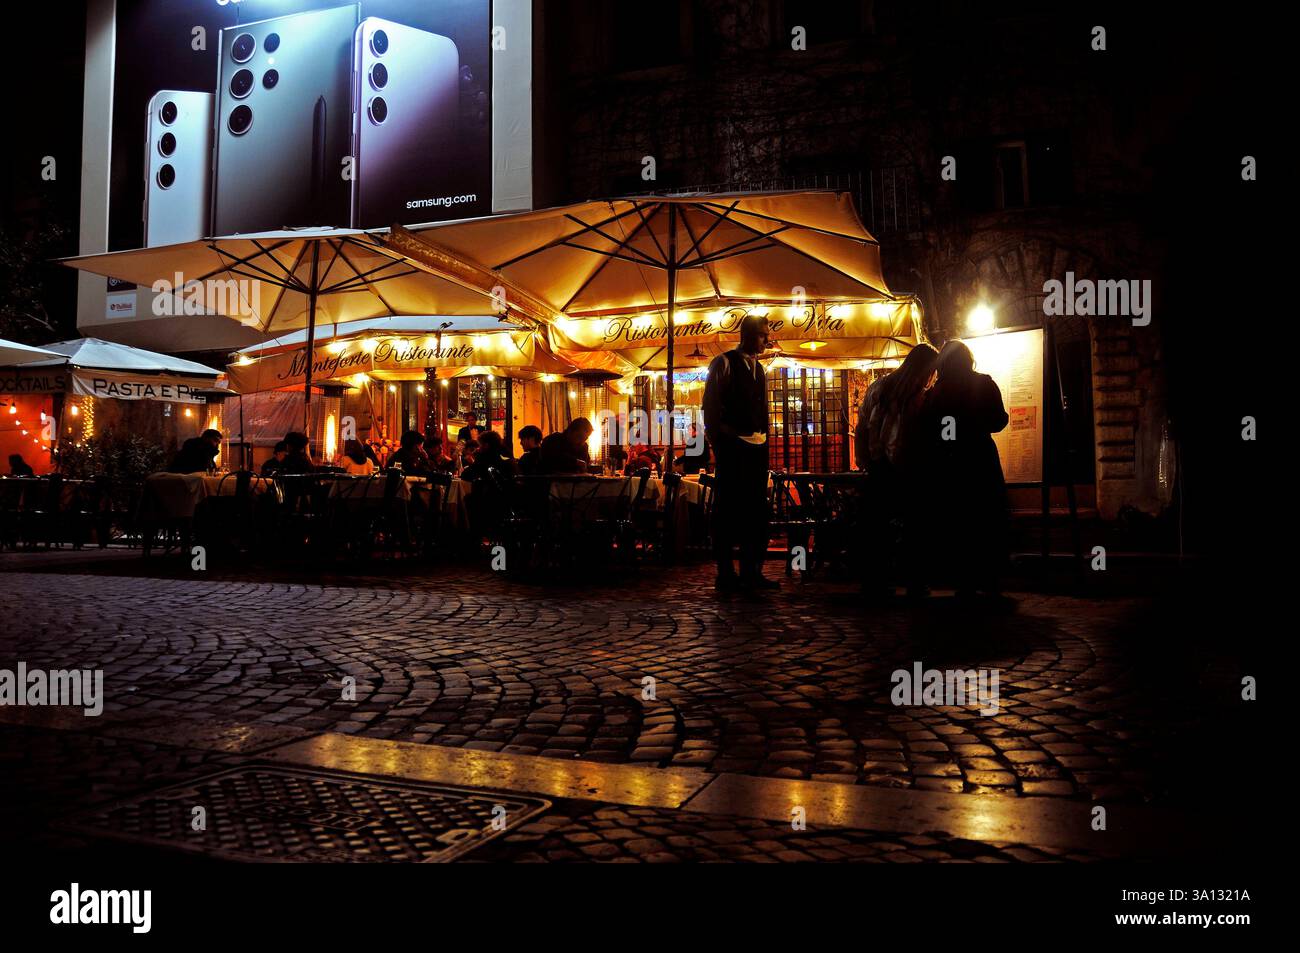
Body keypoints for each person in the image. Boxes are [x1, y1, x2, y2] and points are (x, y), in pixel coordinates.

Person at [917, 340, 1010, 597]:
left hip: (949, 464)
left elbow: (927, 429)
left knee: (957, 520)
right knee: (986, 518)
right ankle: (989, 578)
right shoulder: (984, 383)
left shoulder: (936, 393)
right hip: (981, 459)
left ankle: (963, 581)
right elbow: (998, 420)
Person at [855, 343, 939, 599]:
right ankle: (915, 582)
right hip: (908, 469)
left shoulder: (880, 387)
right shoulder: (919, 395)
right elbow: (917, 436)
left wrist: (865, 460)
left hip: (879, 467)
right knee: (915, 527)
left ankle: (874, 582)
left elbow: (862, 426)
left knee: (877, 528)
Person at [702, 313, 775, 592]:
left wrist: (766, 441)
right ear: (746, 334)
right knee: (727, 509)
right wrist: (722, 443)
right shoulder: (723, 363)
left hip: (757, 448)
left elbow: (762, 410)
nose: (766, 340)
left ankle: (751, 570)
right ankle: (725, 572)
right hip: (733, 448)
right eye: (762, 334)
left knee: (755, 511)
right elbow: (711, 406)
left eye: (766, 335)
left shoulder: (761, 370)